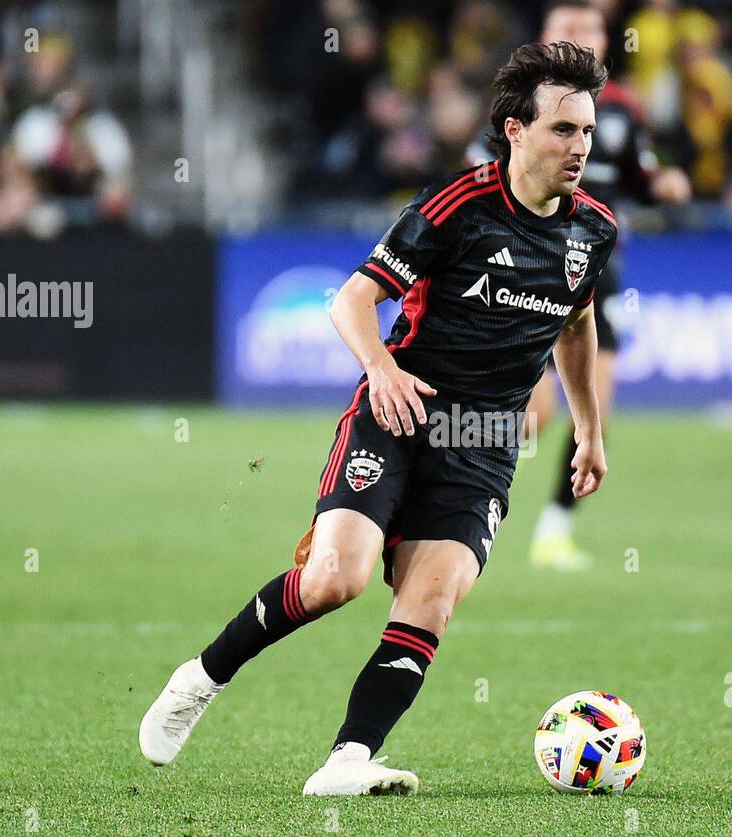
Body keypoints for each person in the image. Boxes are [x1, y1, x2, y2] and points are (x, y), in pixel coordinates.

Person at [139, 40, 618, 796]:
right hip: (398, 413)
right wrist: (382, 369)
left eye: (588, 131)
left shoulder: (592, 231)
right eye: (564, 129)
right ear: (515, 130)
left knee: (432, 597)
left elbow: (575, 326)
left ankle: (348, 760)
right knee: (337, 579)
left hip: (485, 443)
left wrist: (589, 428)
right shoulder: (455, 208)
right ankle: (203, 676)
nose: (580, 147)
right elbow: (351, 300)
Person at [469, 0, 690, 571]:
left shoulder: (621, 111)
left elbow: (639, 177)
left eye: (589, 28)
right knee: (534, 413)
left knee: (598, 408)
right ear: (545, 39)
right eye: (568, 29)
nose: (581, 37)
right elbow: (475, 176)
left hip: (592, 274)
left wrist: (664, 183)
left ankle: (554, 530)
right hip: (521, 272)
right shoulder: (517, 109)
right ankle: (449, 474)